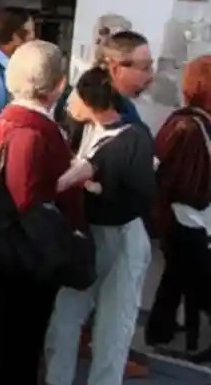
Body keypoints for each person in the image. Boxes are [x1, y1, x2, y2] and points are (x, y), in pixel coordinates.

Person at [0, 40, 82, 385]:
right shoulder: (31, 129)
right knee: (11, 345)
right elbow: (26, 197)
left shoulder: (9, 120)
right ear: (57, 85)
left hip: (4, 248)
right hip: (22, 256)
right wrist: (73, 180)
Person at [44, 67, 156, 385]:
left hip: (119, 236)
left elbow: (81, 177)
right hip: (86, 234)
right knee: (65, 318)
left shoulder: (130, 137)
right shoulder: (82, 130)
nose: (68, 103)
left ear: (88, 99)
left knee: (112, 326)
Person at [147, 55, 211, 356]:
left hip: (189, 216)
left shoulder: (193, 123)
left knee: (176, 277)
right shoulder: (186, 126)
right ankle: (181, 337)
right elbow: (162, 174)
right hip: (185, 216)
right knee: (197, 281)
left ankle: (161, 332)